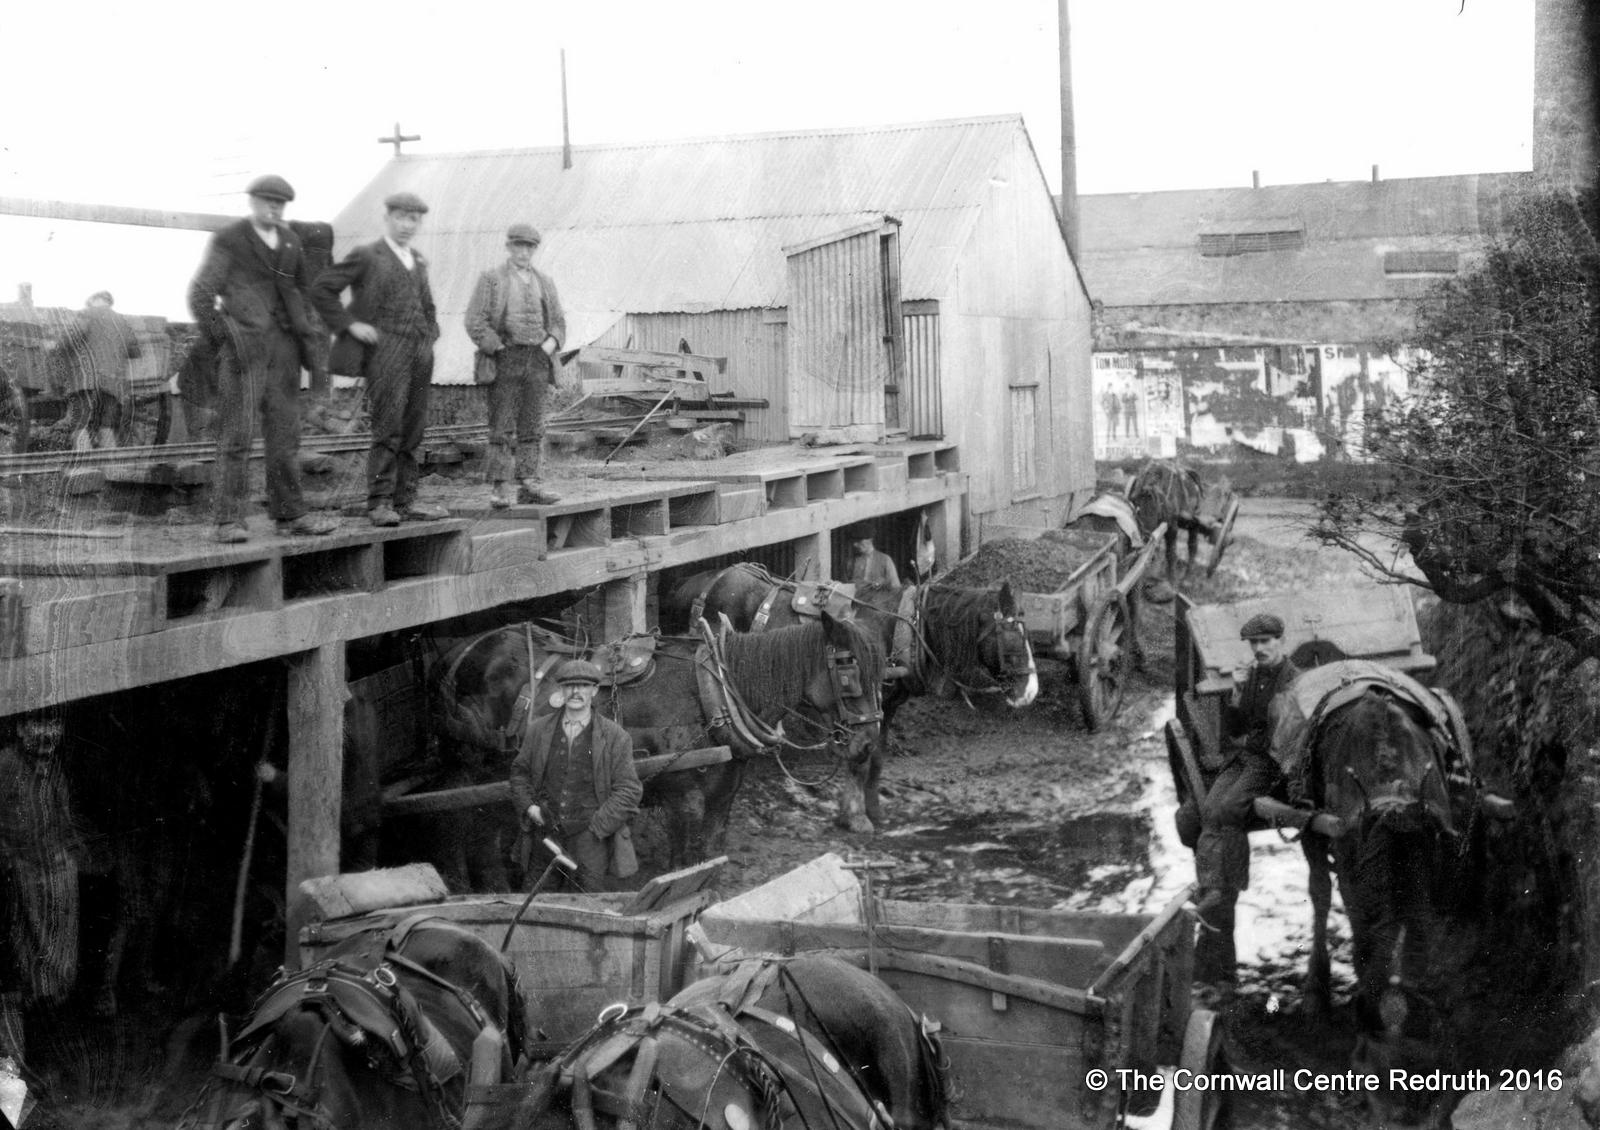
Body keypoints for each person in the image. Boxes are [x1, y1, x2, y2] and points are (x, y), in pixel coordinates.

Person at [187, 175, 338, 543]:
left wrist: (302, 337)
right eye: (267, 201)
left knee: (285, 437)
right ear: (252, 201)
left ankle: (290, 515)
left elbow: (302, 292)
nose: (273, 208)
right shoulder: (231, 239)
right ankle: (228, 521)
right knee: (236, 436)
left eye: (279, 203)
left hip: (284, 352)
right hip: (244, 352)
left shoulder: (290, 241)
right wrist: (227, 337)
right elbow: (201, 294)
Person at [311, 192, 448, 527]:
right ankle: (379, 502)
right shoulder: (367, 255)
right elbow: (322, 289)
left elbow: (427, 307)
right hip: (385, 350)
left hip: (418, 350)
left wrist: (429, 336)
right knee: (389, 426)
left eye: (413, 219)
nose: (406, 225)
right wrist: (350, 325)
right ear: (387, 218)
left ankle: (406, 500)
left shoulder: (417, 259)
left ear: (419, 223)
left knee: (414, 428)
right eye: (400, 217)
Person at [1192, 612, 1300, 983]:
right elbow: (1236, 730)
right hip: (1245, 756)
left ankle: (1228, 886)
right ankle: (1210, 883)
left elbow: (1282, 738)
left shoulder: (1292, 680)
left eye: (1266, 642)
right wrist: (1236, 695)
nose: (1259, 649)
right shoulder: (1253, 674)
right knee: (1208, 808)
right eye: (1254, 643)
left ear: (1280, 641)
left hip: (1271, 761)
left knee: (1230, 809)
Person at [509, 659, 642, 893]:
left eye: (583, 686)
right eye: (570, 686)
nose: (576, 692)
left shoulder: (615, 737)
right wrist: (531, 809)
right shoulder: (538, 730)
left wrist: (596, 828)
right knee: (536, 905)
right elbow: (519, 774)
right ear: (561, 690)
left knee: (586, 906)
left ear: (594, 691)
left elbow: (629, 790)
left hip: (590, 840)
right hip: (545, 836)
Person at [463, 222, 567, 508]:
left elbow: (558, 323)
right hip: (505, 358)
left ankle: (529, 483)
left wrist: (549, 345)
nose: (523, 252)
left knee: (533, 424)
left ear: (534, 250)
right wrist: (496, 346)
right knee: (502, 425)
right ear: (509, 247)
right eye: (518, 246)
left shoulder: (545, 282)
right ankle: (499, 488)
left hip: (537, 360)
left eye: (529, 247)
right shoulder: (492, 279)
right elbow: (475, 320)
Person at [52, 291, 141, 451]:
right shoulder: (122, 321)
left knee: (80, 423)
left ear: (93, 300)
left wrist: (55, 348)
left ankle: (85, 469)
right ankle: (110, 470)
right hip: (112, 384)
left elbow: (68, 340)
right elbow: (134, 351)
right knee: (106, 426)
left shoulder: (87, 314)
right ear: (109, 302)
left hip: (86, 381)